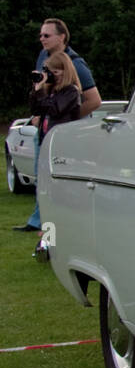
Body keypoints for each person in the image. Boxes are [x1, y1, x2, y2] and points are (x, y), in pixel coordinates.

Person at [15, 18, 99, 232]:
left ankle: (58, 224)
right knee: (42, 177)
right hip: (45, 130)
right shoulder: (44, 57)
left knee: (60, 182)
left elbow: (94, 100)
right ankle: (39, 221)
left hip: (62, 133)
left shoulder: (75, 65)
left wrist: (66, 119)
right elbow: (41, 101)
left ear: (61, 37)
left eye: (46, 35)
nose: (41, 39)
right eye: (40, 35)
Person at [14, 51, 82, 232]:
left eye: (56, 72)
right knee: (45, 185)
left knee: (60, 187)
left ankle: (62, 224)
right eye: (50, 71)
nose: (53, 75)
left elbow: (56, 110)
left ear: (65, 71)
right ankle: (47, 224)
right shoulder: (51, 91)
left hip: (61, 144)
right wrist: (37, 90)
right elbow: (36, 108)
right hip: (45, 141)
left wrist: (43, 95)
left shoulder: (71, 91)